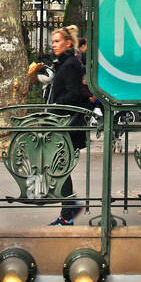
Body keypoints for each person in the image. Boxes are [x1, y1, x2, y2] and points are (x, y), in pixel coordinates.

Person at [47, 27, 93, 225]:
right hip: (62, 123)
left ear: (67, 42)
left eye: (57, 41)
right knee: (60, 166)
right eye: (53, 41)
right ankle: (68, 209)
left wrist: (56, 103)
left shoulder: (71, 64)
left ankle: (68, 211)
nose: (54, 45)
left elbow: (74, 94)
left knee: (59, 166)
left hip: (67, 124)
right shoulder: (65, 63)